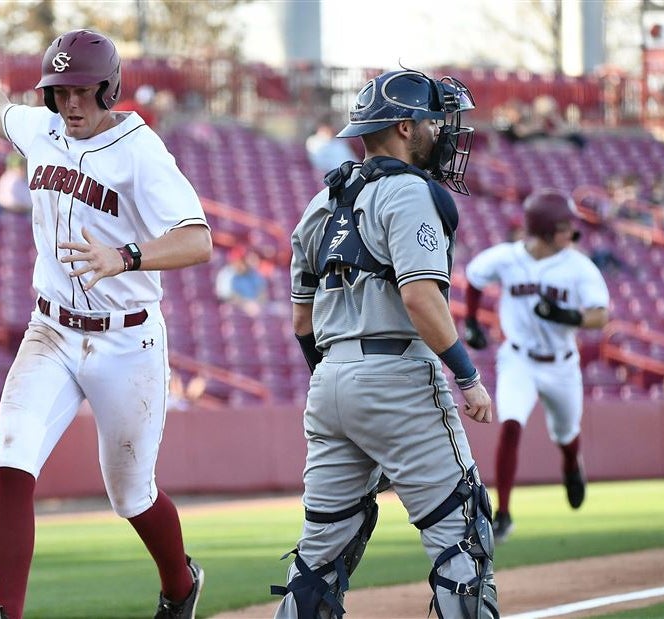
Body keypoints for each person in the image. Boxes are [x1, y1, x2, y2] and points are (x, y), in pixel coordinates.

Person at [0, 9, 213, 619]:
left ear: (108, 90)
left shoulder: (138, 149)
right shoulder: (44, 131)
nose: (71, 104)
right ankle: (9, 614)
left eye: (82, 92)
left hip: (126, 342)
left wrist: (127, 256)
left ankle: (181, 585)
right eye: (60, 92)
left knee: (131, 495)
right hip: (50, 330)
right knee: (11, 462)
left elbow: (197, 239)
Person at [280, 69, 497, 618]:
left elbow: (302, 319)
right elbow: (422, 298)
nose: (444, 133)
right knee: (461, 533)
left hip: (330, 386)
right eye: (433, 121)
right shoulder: (408, 192)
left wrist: (333, 380)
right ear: (405, 128)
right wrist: (467, 376)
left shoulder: (320, 201)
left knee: (317, 558)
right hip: (398, 375)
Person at [463, 189, 611, 543]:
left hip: (561, 365)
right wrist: (470, 322)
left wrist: (568, 315)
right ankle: (504, 513)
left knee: (566, 434)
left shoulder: (578, 265)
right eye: (563, 227)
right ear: (544, 230)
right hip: (518, 358)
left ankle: (572, 465)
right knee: (511, 424)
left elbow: (601, 315)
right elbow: (474, 277)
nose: (571, 233)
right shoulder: (509, 258)